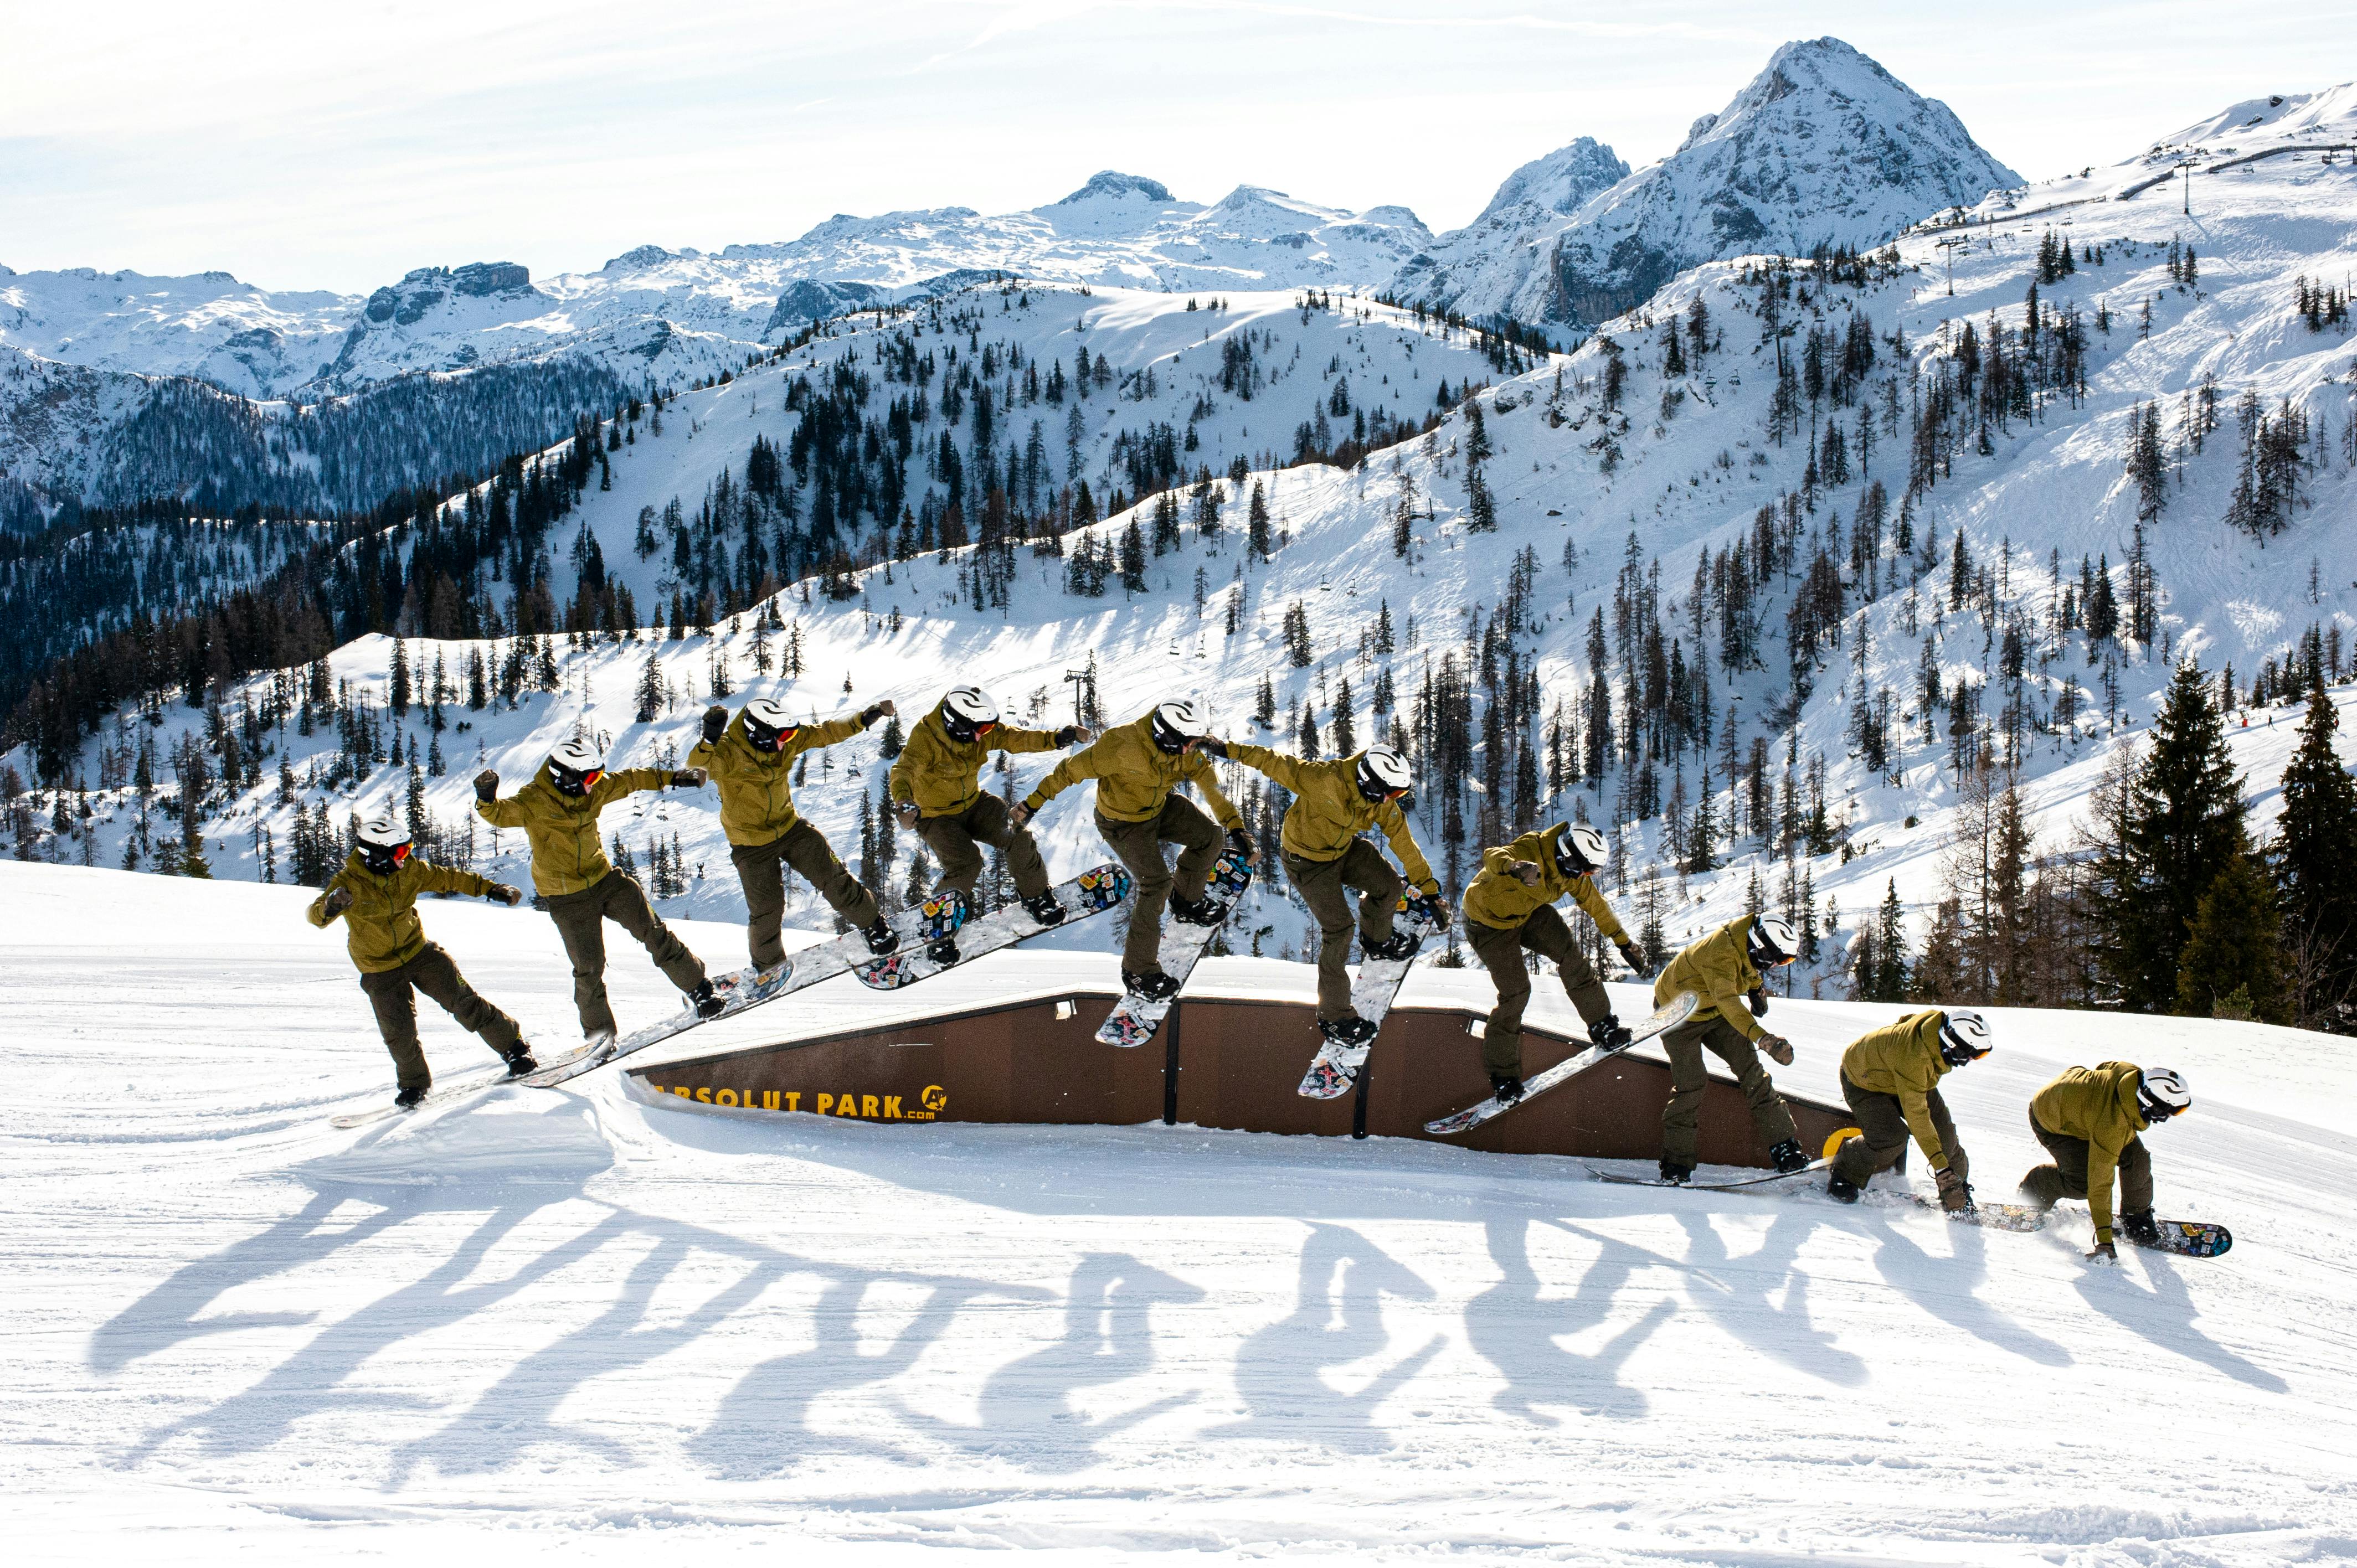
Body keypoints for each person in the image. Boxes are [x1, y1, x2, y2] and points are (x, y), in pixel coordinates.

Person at [475, 738, 719, 1046]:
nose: (595, 784)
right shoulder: (534, 801)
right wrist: (486, 798)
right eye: (589, 779)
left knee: (654, 932)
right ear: (566, 776)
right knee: (589, 968)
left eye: (597, 777)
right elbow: (500, 814)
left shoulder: (594, 790)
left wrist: (673, 777)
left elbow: (631, 779)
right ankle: (599, 1035)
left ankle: (699, 987)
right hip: (567, 898)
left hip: (605, 879)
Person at [1208, 739, 1445, 1042]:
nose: (1392, 800)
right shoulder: (1322, 779)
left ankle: (1377, 938)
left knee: (1388, 885)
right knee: (1339, 930)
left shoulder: (1380, 803)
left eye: (1398, 794)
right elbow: (1271, 760)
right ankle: (1333, 1015)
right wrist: (1226, 749)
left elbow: (1405, 844)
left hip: (1343, 851)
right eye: (1391, 793)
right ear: (1369, 781)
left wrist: (1429, 892)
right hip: (1306, 862)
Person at [1014, 698, 1250, 999]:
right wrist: (1031, 805)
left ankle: (1187, 902)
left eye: (1195, 743)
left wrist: (1236, 826)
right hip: (1122, 823)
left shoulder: (1184, 749)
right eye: (1188, 744)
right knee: (1156, 884)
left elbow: (1211, 787)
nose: (1191, 750)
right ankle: (1138, 972)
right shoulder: (1120, 745)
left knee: (1211, 837)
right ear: (1167, 736)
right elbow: (1068, 772)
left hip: (1160, 809)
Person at [306, 816, 532, 1108]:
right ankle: (414, 1087)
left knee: (464, 1002)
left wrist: (490, 888)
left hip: (420, 953)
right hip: (378, 968)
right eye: (400, 852)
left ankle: (515, 1049)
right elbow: (315, 916)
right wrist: (330, 907)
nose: (407, 857)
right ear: (377, 855)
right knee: (398, 1034)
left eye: (408, 849)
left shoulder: (410, 870)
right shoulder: (348, 884)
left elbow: (449, 877)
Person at [693, 695, 898, 968]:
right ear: (759, 734)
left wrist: (863, 719)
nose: (787, 741)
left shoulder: (783, 741)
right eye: (782, 737)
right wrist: (709, 740)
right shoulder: (728, 753)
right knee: (767, 910)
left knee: (833, 877)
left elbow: (826, 732)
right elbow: (697, 768)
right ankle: (769, 966)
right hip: (750, 845)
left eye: (789, 735)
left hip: (790, 828)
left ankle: (873, 924)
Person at [1459, 821, 1644, 1105]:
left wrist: (1623, 942)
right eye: (1584, 869)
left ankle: (1602, 1025)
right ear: (1567, 855)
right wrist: (1514, 867)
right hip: (1488, 925)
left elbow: (1596, 905)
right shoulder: (1531, 848)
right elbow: (1492, 855)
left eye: (1590, 871)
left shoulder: (1571, 873)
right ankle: (1503, 1076)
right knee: (1516, 992)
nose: (1585, 876)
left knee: (1571, 957)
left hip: (1530, 914)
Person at [888, 685, 1088, 926]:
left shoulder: (978, 733)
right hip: (936, 817)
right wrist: (904, 801)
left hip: (975, 804)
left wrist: (1056, 738)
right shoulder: (926, 738)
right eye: (983, 728)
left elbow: (1016, 737)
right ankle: (937, 921)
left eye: (989, 727)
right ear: (959, 724)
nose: (987, 733)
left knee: (1017, 834)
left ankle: (1037, 897)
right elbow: (904, 769)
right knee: (967, 862)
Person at [1651, 914, 1809, 1182]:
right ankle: (1676, 1165)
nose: (1774, 966)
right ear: (1760, 946)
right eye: (1777, 959)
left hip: (1713, 1011)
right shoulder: (1719, 953)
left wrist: (1756, 991)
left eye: (1783, 961)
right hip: (1677, 1015)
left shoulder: (1747, 943)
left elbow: (1748, 971)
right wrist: (1764, 1039)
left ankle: (1785, 1147)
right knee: (1692, 1084)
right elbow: (1727, 1001)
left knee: (1753, 1075)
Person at [2020, 1062, 2190, 1262]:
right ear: (2150, 1105)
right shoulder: (2111, 1127)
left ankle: (2136, 1218)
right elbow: (2100, 1183)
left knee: (2138, 1159)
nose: (2170, 1116)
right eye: (2171, 1111)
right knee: (2082, 1183)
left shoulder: (2132, 1074)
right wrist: (2104, 1241)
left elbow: (2105, 1066)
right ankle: (2036, 1188)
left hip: (2082, 1108)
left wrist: (2088, 1096)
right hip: (2051, 1119)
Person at [1825, 1007, 1991, 1208]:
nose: (1973, 1060)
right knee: (1892, 1138)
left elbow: (1907, 1020)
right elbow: (1918, 1118)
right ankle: (1846, 1171)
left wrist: (1953, 1177)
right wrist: (1942, 1172)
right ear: (1954, 1046)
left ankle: (1958, 1189)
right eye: (1975, 1054)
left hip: (1905, 1076)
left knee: (1945, 1138)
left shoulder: (1934, 1028)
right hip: (1864, 1080)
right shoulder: (1914, 1059)